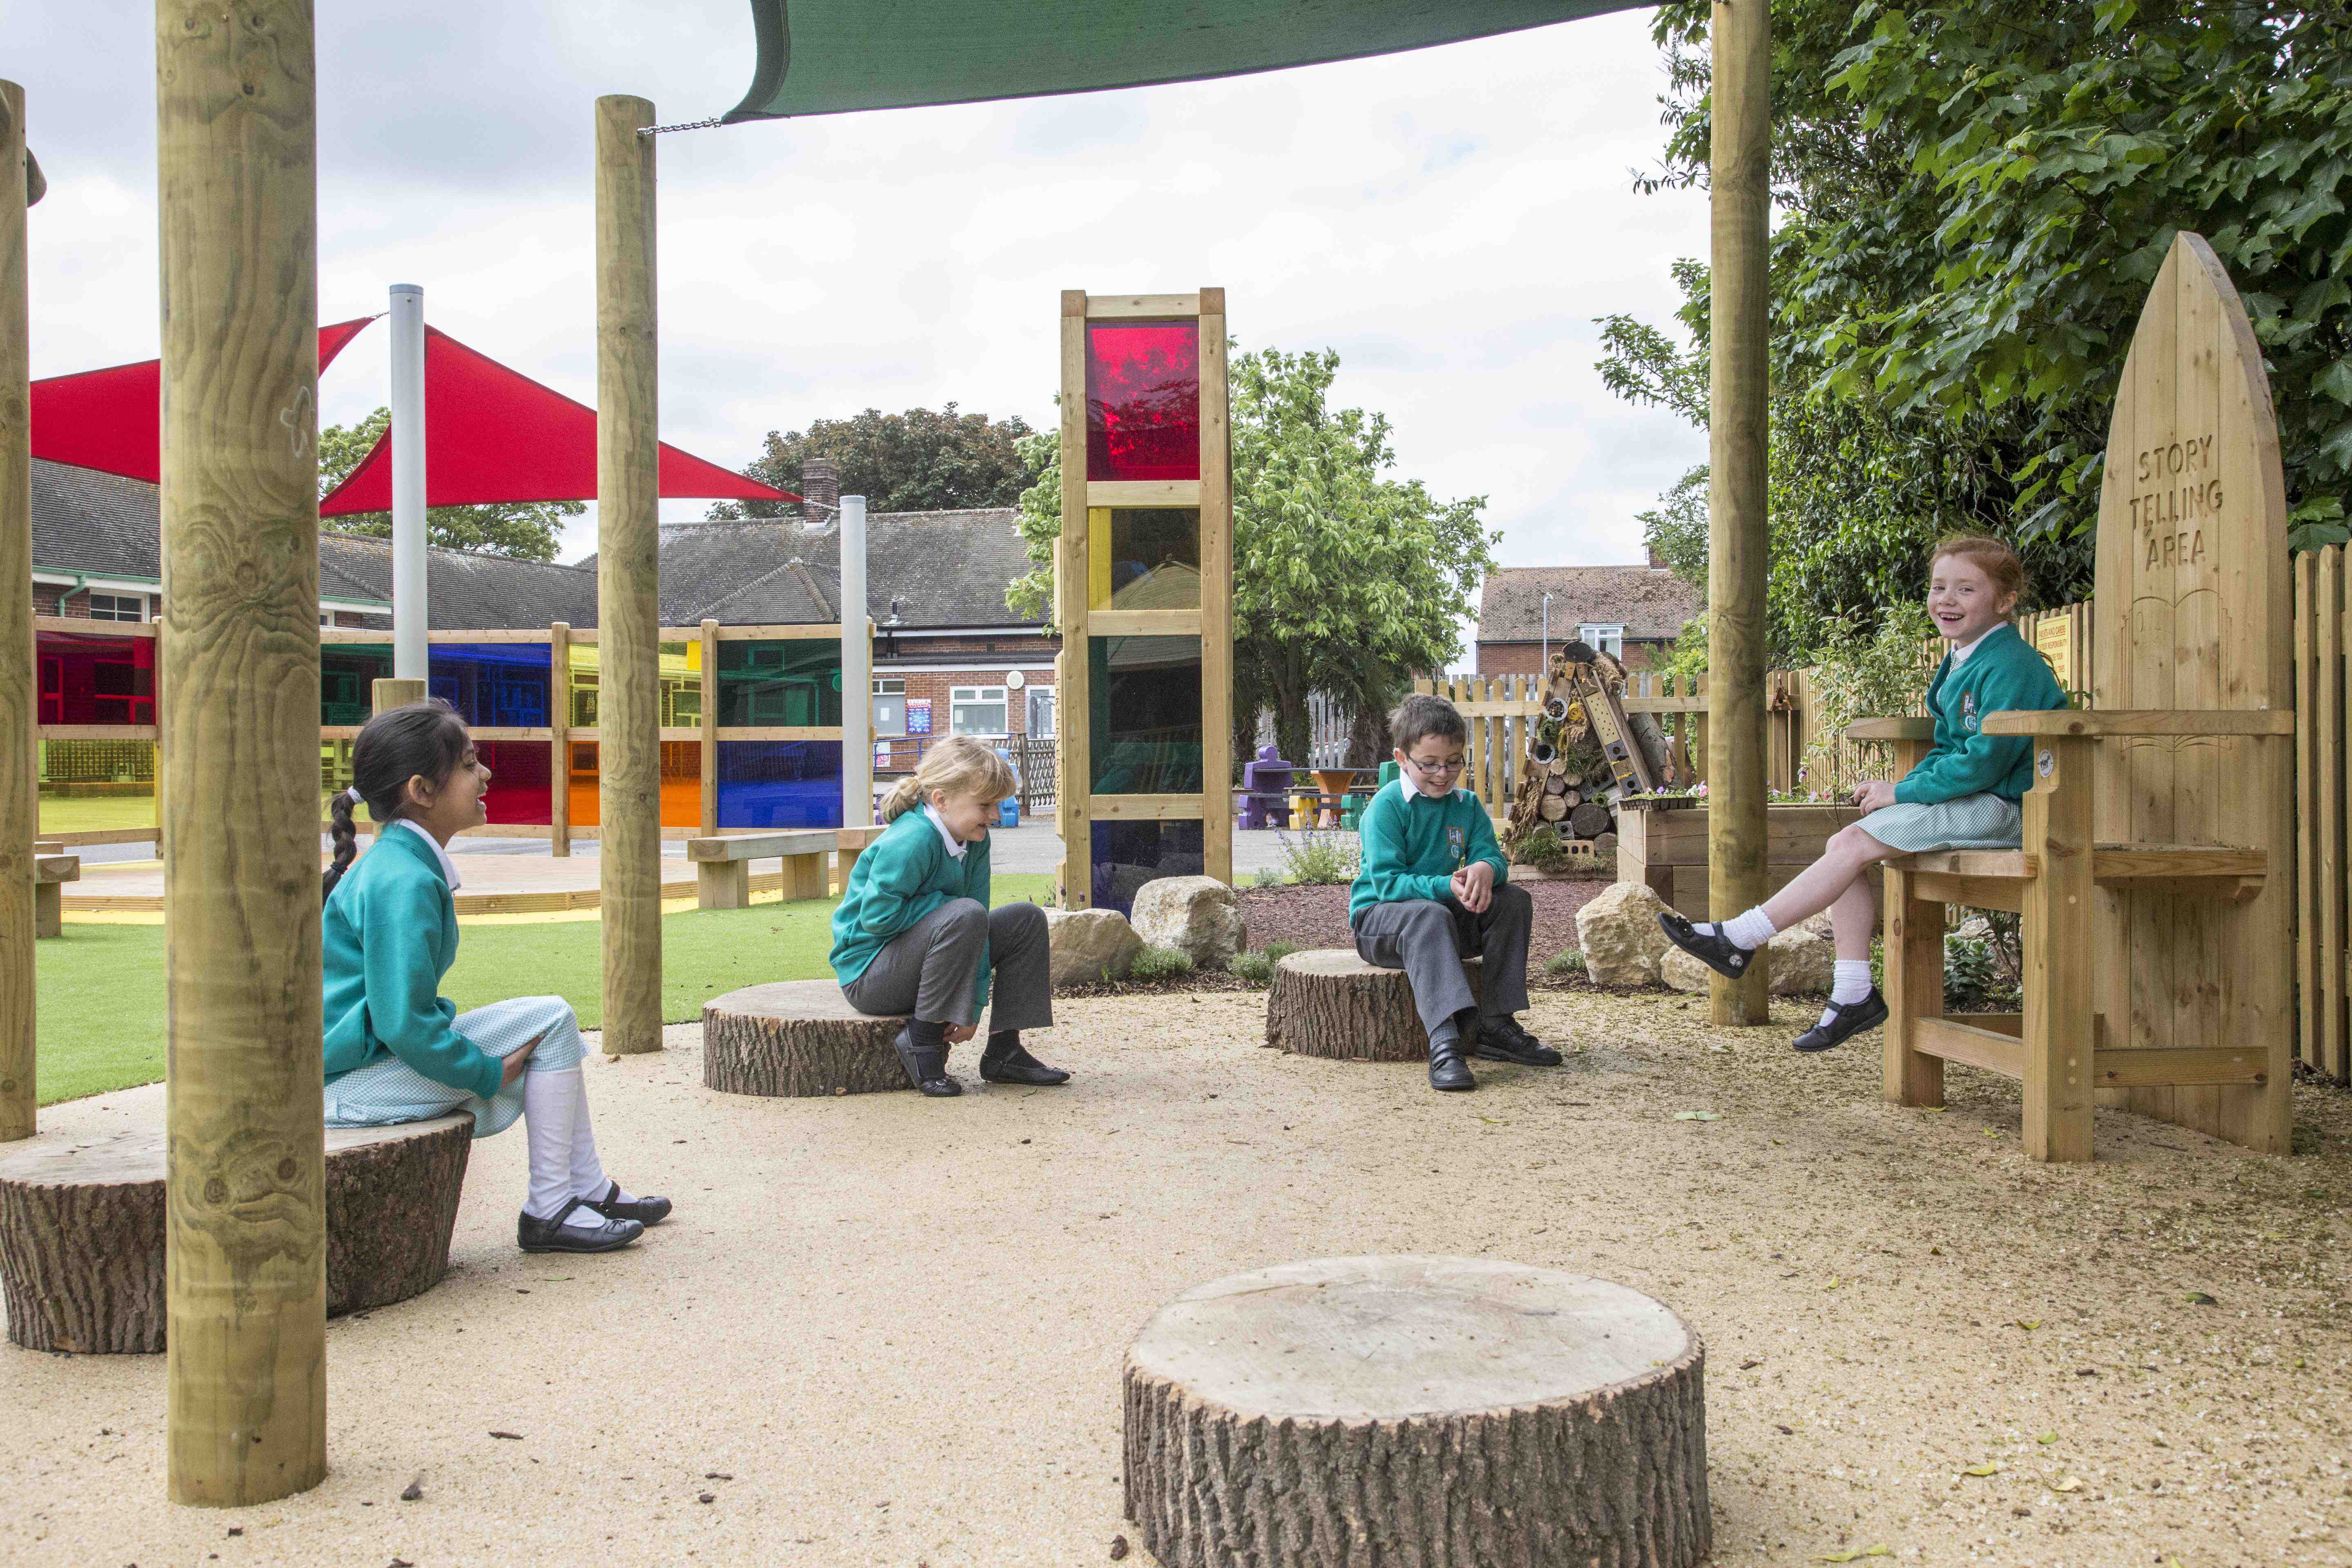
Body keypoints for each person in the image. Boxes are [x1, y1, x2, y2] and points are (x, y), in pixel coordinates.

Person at [1659, 534, 2067, 1052]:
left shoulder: (2010, 664)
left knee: (1851, 845)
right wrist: (1909, 791)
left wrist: (1903, 791)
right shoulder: (1964, 659)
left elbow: (1985, 761)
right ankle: (1851, 992)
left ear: (2005, 601)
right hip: (1982, 799)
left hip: (2016, 808)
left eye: (1966, 589)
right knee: (1847, 848)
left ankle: (1740, 937)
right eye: (1939, 586)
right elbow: (1951, 750)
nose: (1947, 599)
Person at [321, 700, 669, 1255]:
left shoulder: (401, 864)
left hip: (356, 1069)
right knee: (551, 1020)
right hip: (344, 1087)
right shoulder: (401, 879)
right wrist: (483, 1071)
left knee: (551, 1018)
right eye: (468, 764)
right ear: (422, 790)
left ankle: (582, 1190)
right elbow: (402, 1022)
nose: (485, 775)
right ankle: (554, 1207)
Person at [1351, 693, 1562, 1092]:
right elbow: (1388, 884)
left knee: (1513, 900)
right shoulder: (1386, 807)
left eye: (1453, 763)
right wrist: (1445, 885)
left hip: (1443, 922)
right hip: (1381, 924)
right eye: (1429, 764)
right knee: (1430, 914)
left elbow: (1492, 857)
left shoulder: (1466, 805)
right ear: (1402, 759)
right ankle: (1445, 1042)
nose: (1442, 774)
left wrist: (1486, 867)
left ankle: (1496, 1025)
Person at [831, 736, 1063, 1097]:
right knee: (963, 913)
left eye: (999, 805)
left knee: (1026, 919)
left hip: (927, 962)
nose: (996, 816)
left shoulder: (976, 840)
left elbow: (978, 926)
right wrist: (945, 904)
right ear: (941, 799)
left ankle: (1006, 1052)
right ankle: (922, 1042)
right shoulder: (912, 840)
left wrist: (972, 1005)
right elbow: (877, 919)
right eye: (986, 804)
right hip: (871, 975)